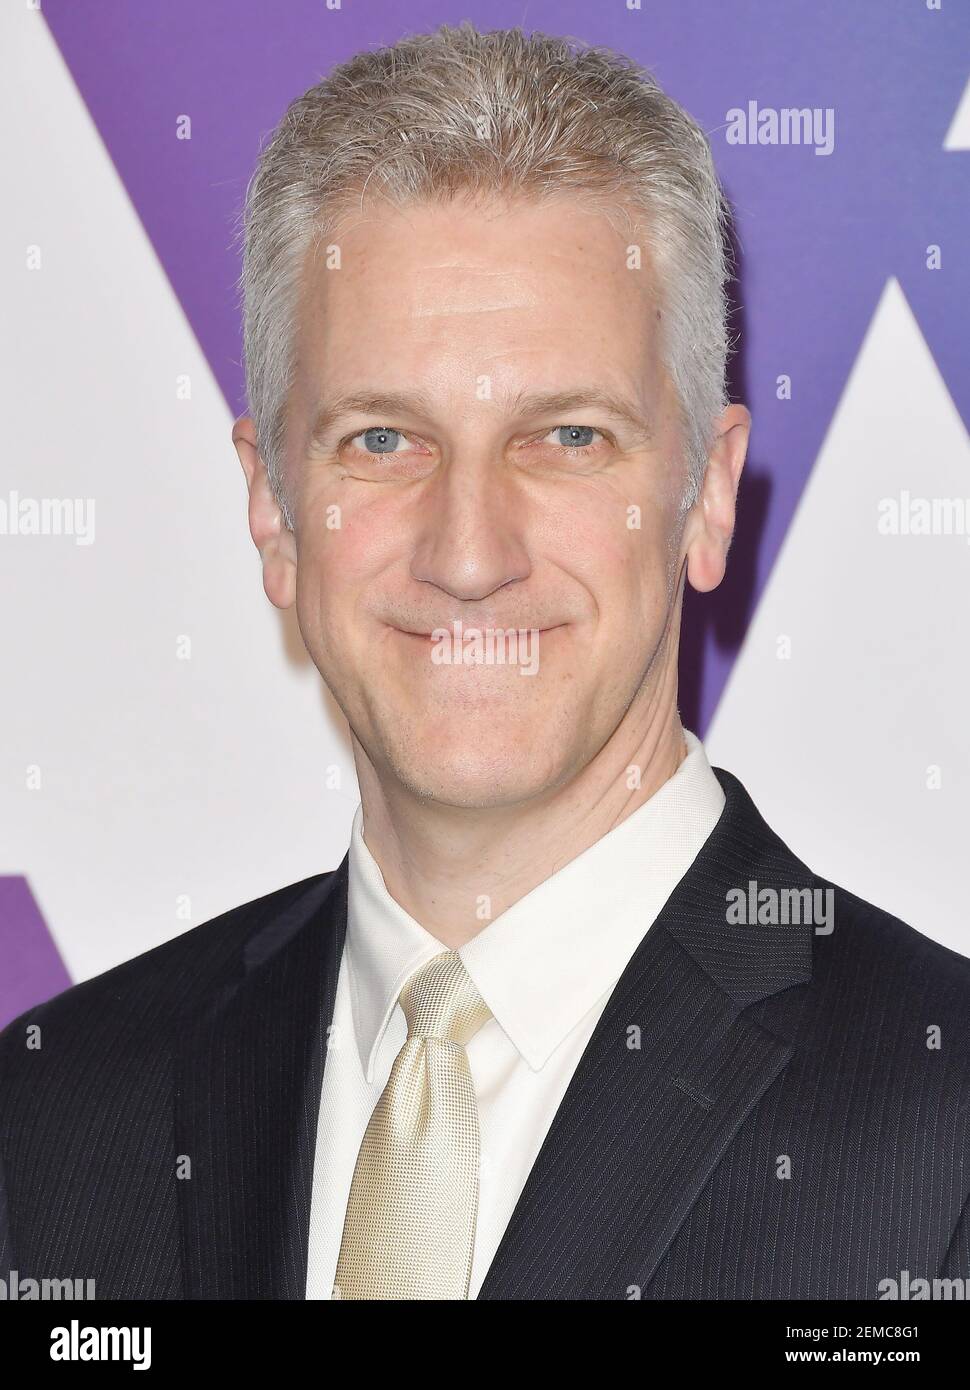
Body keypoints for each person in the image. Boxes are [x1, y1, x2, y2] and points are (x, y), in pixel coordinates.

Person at [2, 22, 968, 1302]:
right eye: (383, 441)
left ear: (708, 497)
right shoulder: (48, 1113)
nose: (468, 552)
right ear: (273, 511)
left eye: (566, 436)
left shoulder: (941, 1129)